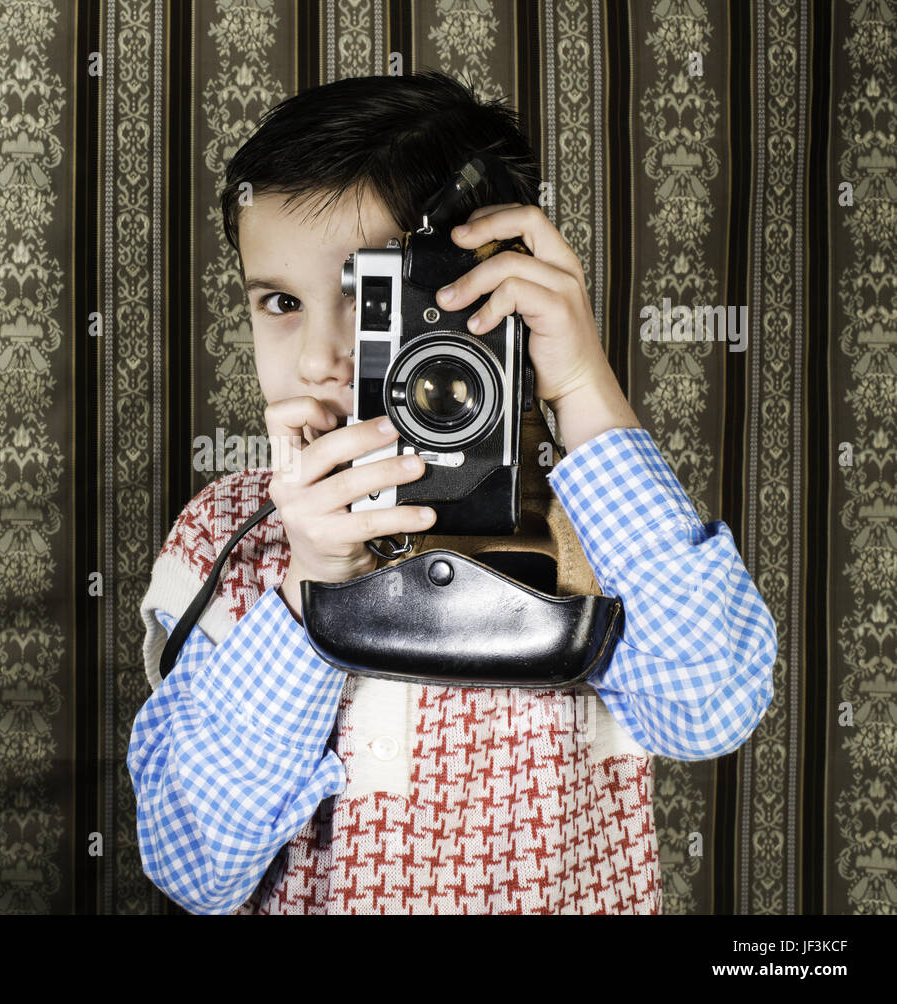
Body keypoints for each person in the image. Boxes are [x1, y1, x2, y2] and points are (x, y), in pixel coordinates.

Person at [127, 70, 777, 915]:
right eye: (281, 301)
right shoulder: (230, 536)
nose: (322, 353)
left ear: (490, 294)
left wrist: (581, 386)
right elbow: (193, 866)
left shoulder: (598, 513)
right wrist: (305, 586)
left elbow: (711, 709)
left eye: (371, 299)